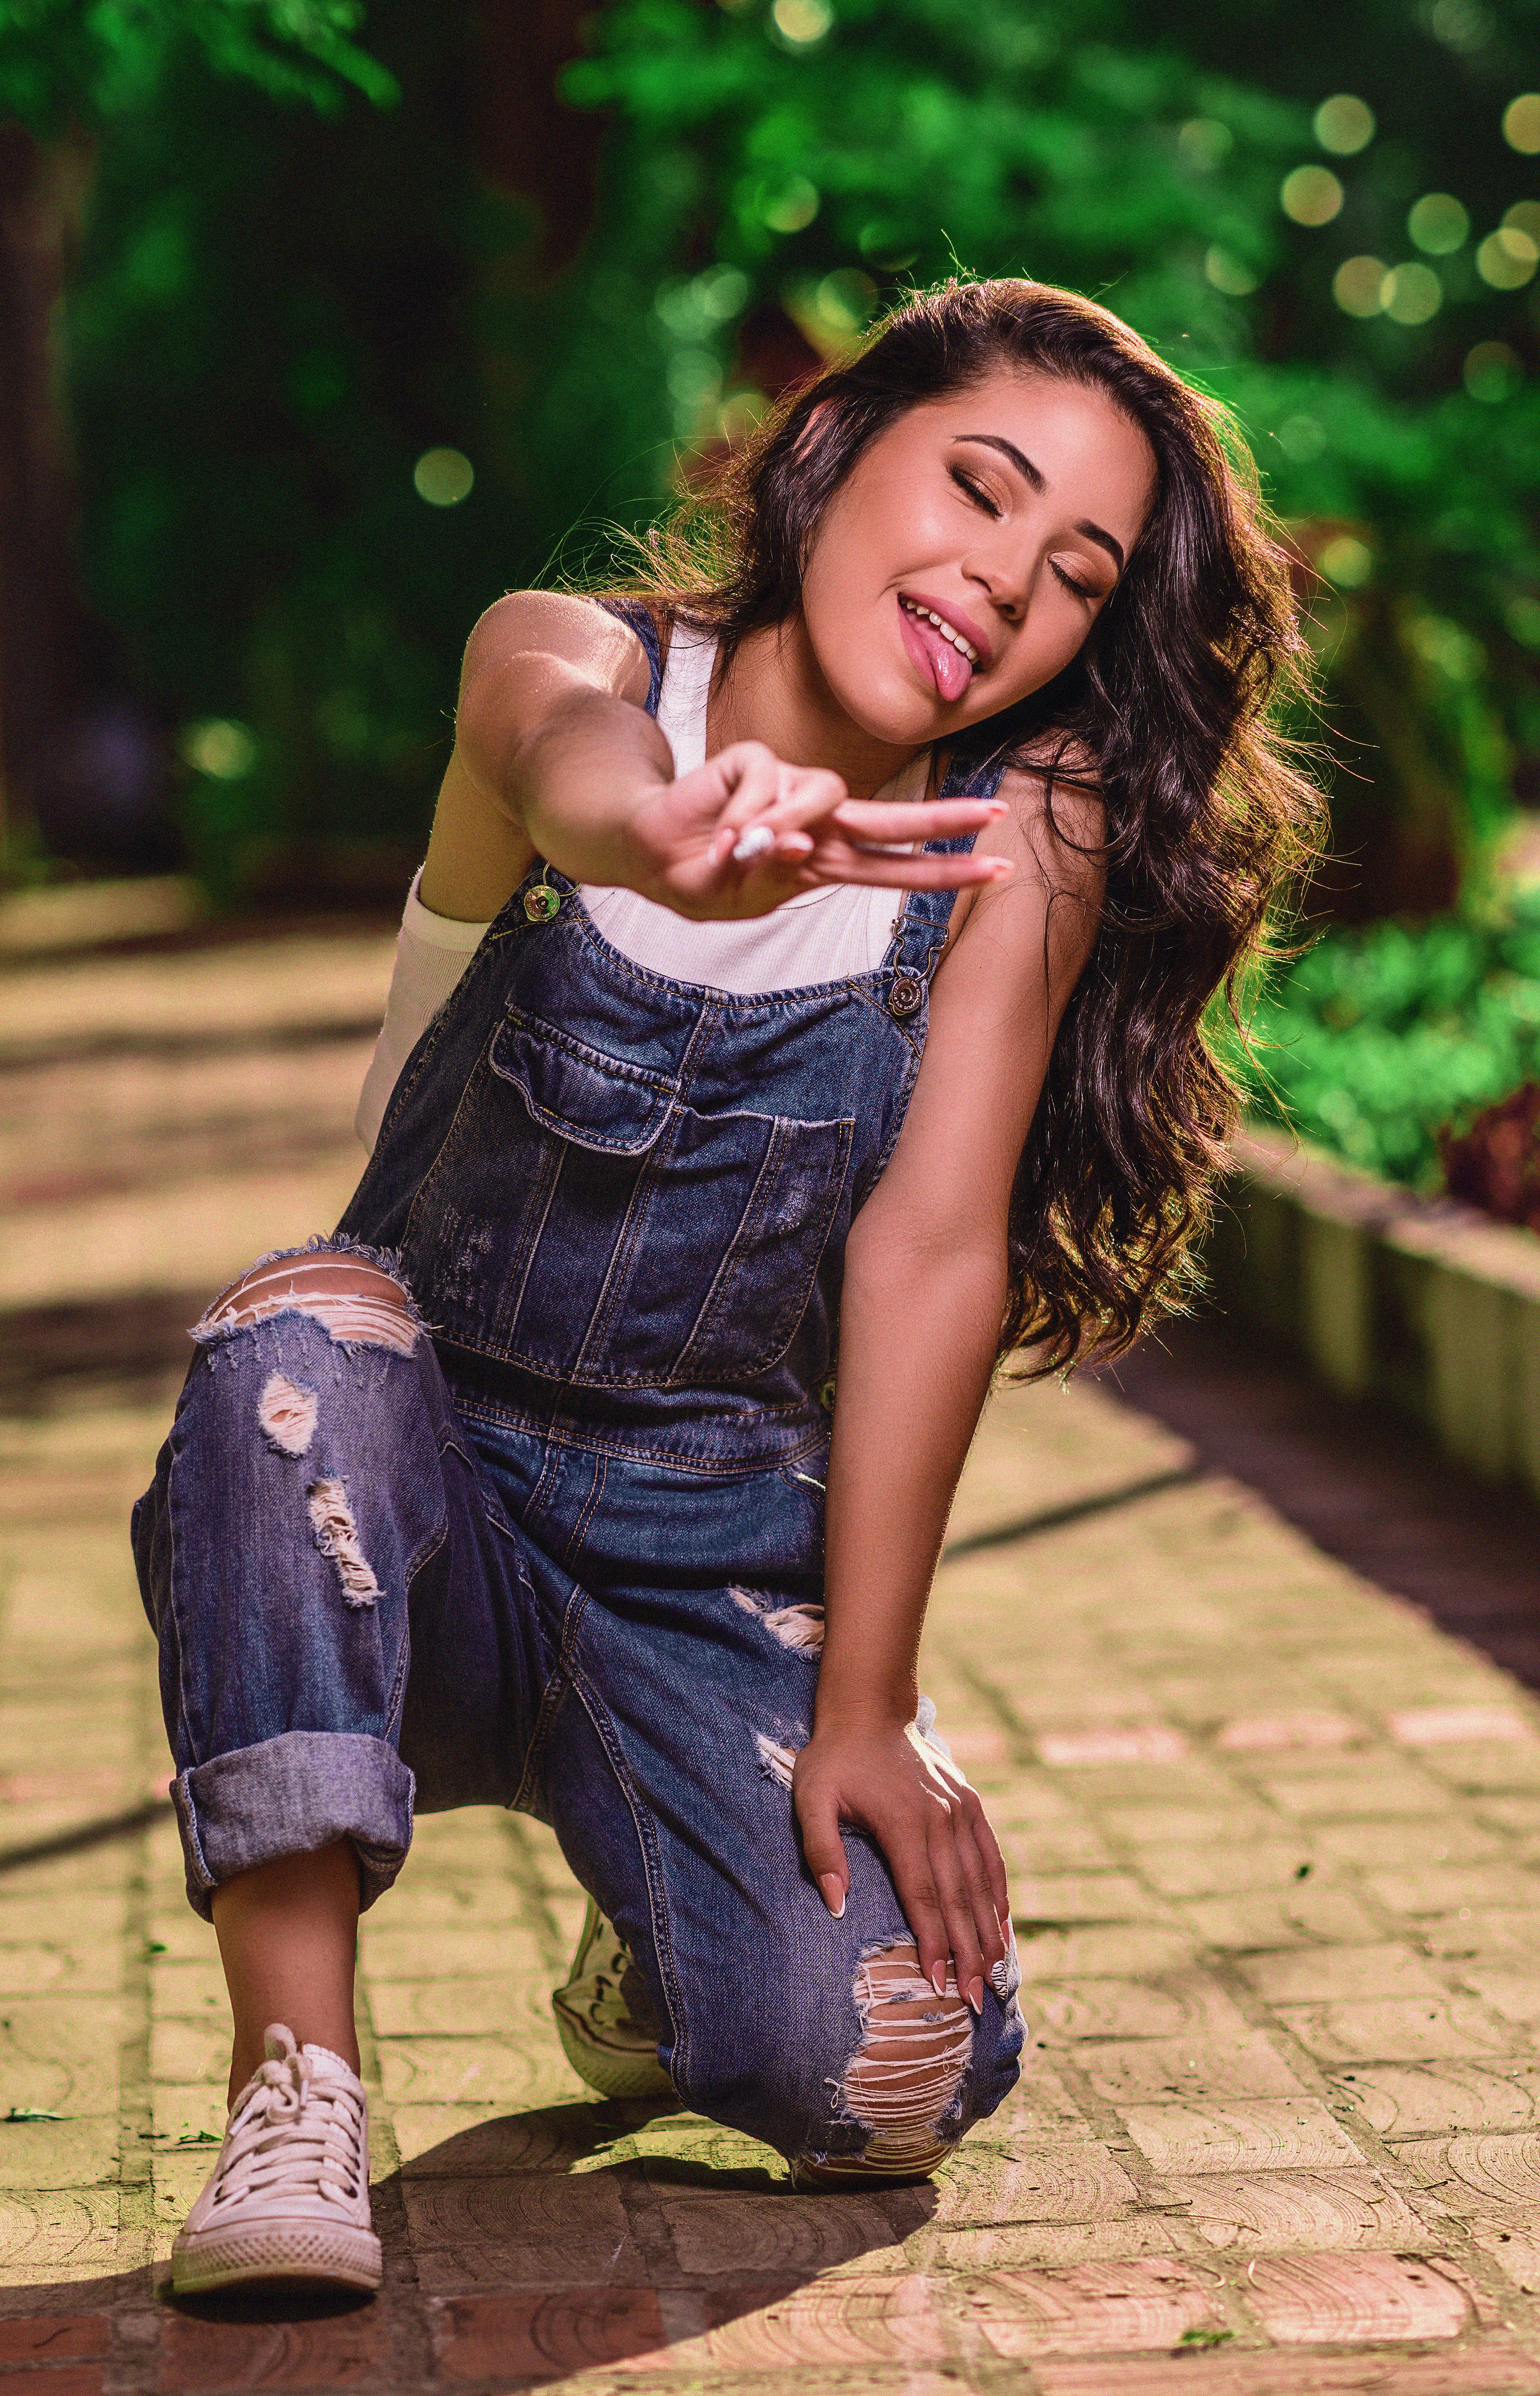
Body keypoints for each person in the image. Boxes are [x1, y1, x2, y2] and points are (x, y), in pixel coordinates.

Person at [132, 276, 1320, 2295]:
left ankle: (661, 1924)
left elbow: (931, 1248)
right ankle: (295, 2086)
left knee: (895, 2075)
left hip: (705, 1545)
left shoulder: (1020, 834)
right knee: (290, 1344)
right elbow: (562, 749)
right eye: (980, 488)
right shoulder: (572, 659)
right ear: (832, 451)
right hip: (403, 1503)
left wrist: (869, 1705)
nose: (1006, 580)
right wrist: (664, 840)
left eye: (1077, 573)